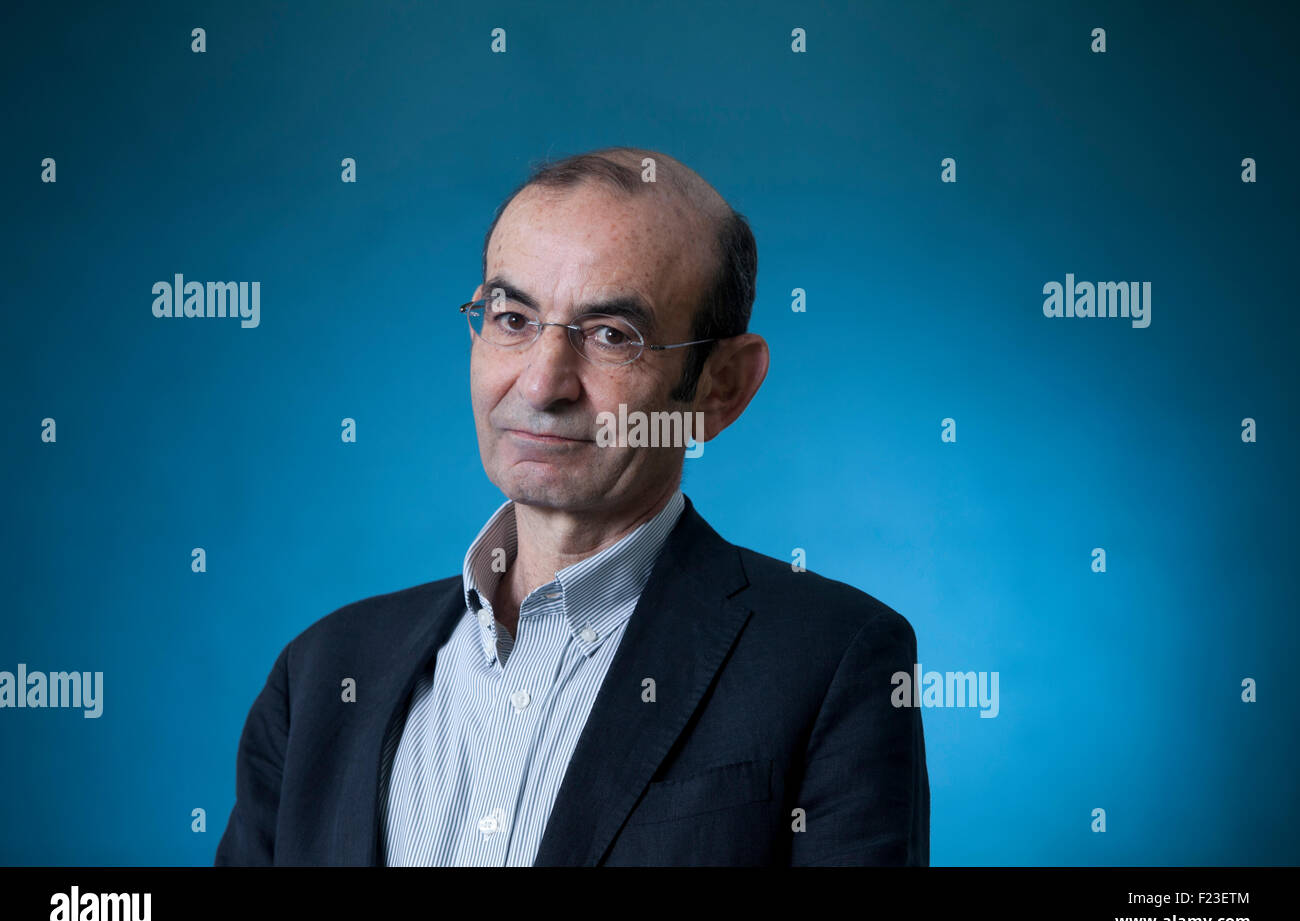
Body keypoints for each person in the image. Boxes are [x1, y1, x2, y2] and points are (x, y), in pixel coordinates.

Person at [214, 146, 929, 866]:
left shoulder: (832, 661)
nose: (541, 385)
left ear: (722, 387)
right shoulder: (321, 675)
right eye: (513, 317)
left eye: (612, 336)